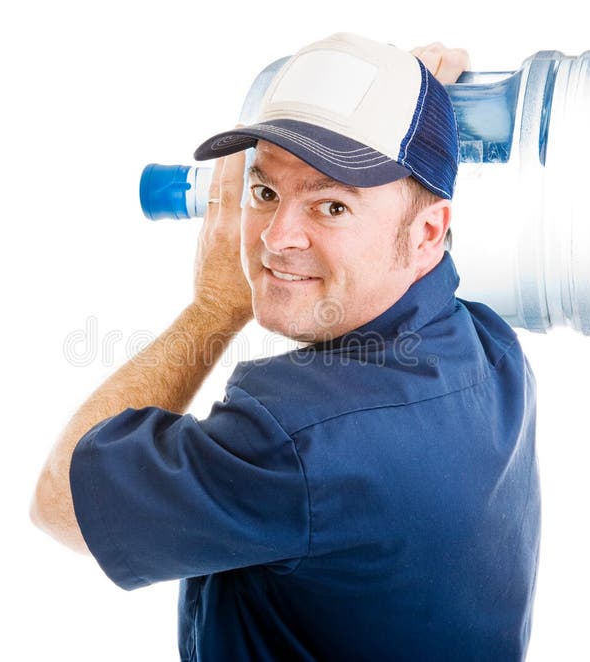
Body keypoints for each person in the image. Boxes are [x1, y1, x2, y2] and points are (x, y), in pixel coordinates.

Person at [31, 32, 540, 661]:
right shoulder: (492, 352)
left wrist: (212, 310)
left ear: (430, 231)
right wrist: (404, 102)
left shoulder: (297, 436)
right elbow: (399, 233)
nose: (275, 238)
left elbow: (60, 498)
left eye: (330, 205)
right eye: (266, 192)